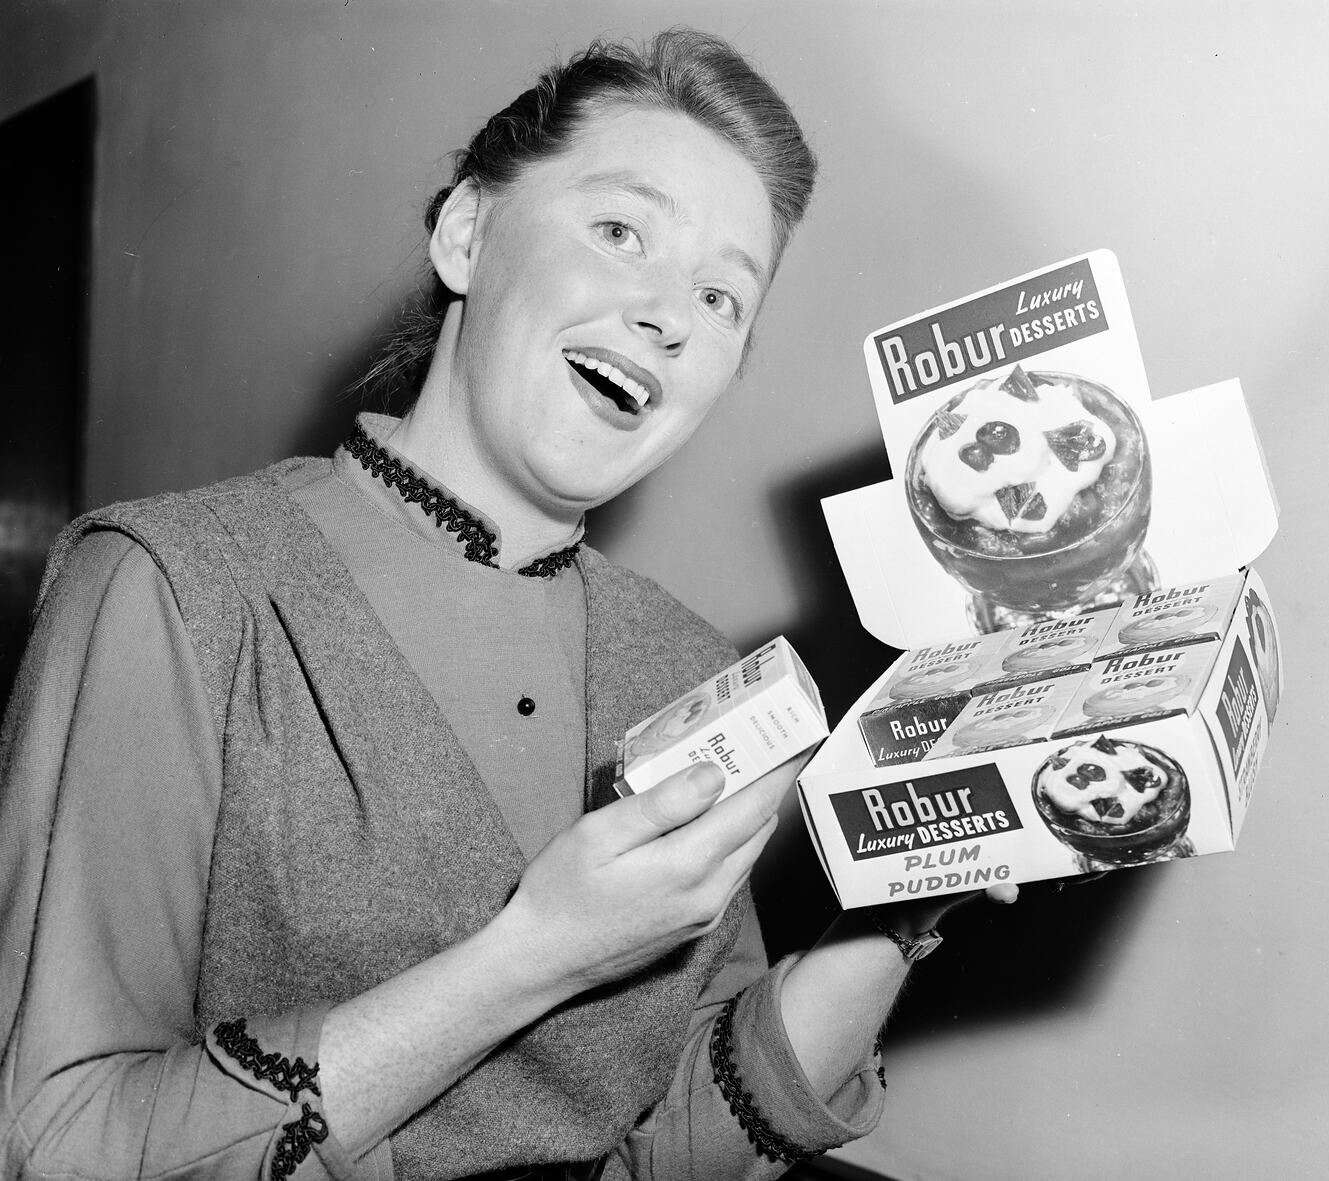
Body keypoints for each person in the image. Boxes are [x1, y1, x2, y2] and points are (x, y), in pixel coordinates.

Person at [0, 28, 1014, 1181]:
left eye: (723, 296)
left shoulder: (687, 664)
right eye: (621, 230)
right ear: (468, 234)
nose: (672, 316)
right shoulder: (172, 586)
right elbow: (59, 1141)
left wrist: (909, 893)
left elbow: (677, 1141)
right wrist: (535, 953)